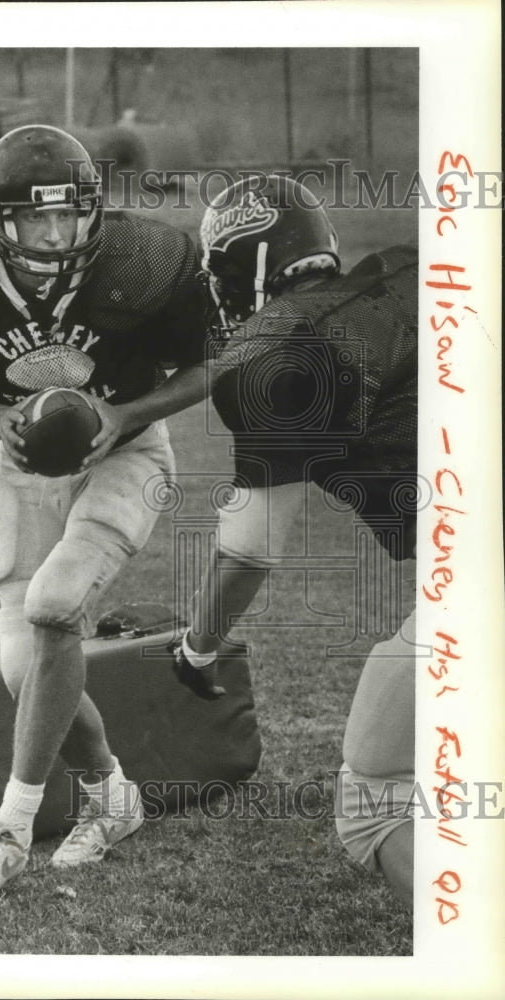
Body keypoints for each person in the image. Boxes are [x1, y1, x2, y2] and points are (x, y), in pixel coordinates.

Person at [0, 124, 210, 899]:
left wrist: (124, 416)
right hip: (22, 459)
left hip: (128, 450)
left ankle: (9, 829)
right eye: (34, 218)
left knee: (56, 610)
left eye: (69, 215)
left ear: (93, 208)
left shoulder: (147, 261)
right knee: (27, 669)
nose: (56, 232)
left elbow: (205, 370)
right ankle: (111, 795)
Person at [171, 174, 418, 905]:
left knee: (375, 800)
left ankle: (468, 951)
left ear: (238, 271)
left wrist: (198, 646)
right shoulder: (411, 267)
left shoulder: (273, 354)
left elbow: (248, 550)